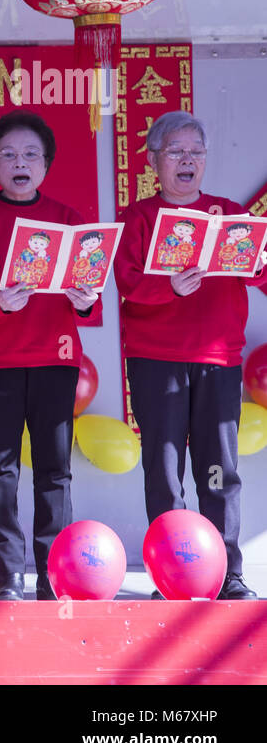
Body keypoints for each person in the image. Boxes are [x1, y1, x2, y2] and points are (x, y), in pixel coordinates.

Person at [115, 110, 267, 600]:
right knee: (163, 469)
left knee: (219, 468)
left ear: (205, 161)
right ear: (154, 161)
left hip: (218, 359)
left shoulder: (228, 214)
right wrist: (170, 289)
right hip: (155, 358)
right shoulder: (136, 218)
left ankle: (228, 574)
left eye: (195, 153)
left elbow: (259, 279)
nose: (186, 161)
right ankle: (172, 574)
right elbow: (128, 285)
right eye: (175, 152)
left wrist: (262, 263)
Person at [0, 111, 100, 601]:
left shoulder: (67, 219)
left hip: (56, 359)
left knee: (55, 467)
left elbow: (87, 297)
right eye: (9, 155)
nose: (21, 163)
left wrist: (84, 298)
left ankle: (54, 570)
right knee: (1, 467)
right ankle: (7, 574)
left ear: (46, 165)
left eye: (31, 154)